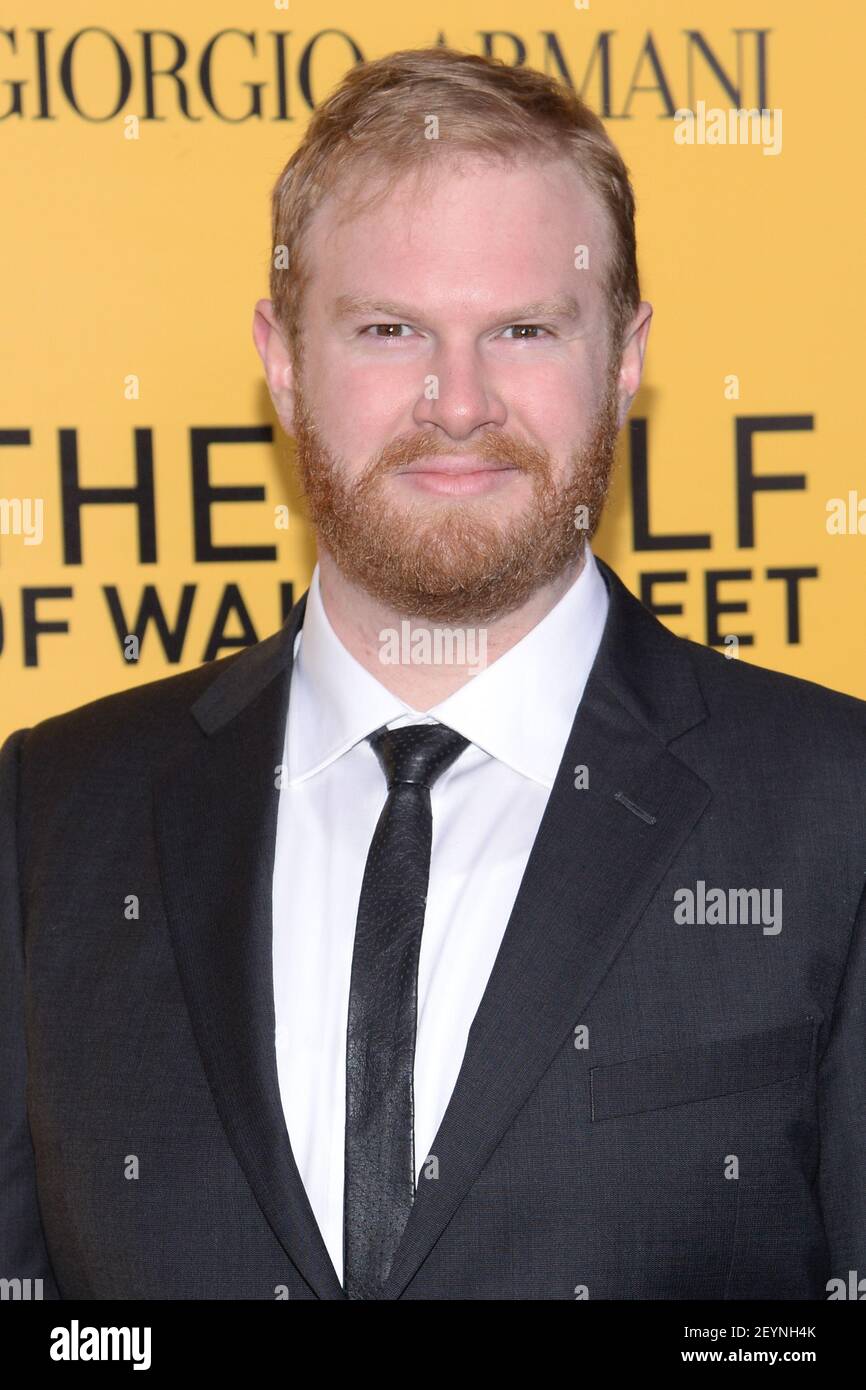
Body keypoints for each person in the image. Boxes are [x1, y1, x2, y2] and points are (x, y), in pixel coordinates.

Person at [2, 46, 864, 1302]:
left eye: (522, 328)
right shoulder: (48, 815)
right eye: (388, 328)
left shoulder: (832, 809)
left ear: (622, 357)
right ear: (283, 358)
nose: (455, 402)